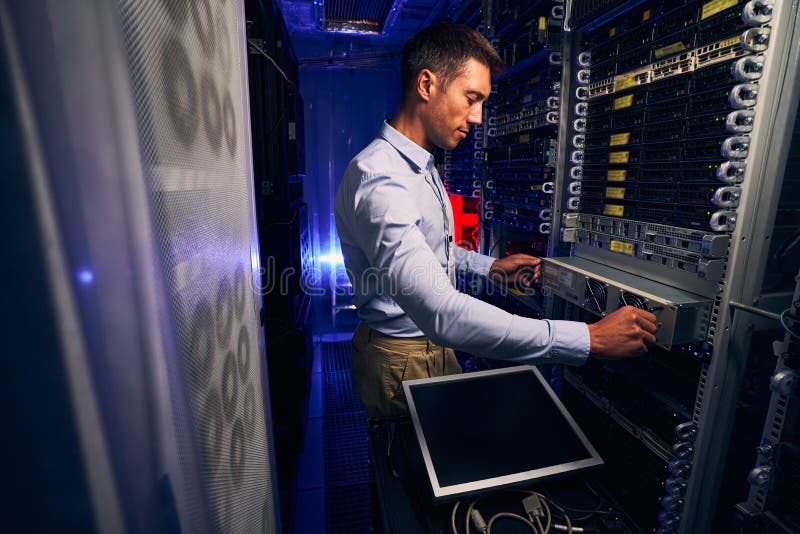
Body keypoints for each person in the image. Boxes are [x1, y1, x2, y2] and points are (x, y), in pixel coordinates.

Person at [334, 22, 657, 420]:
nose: (478, 118)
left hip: (429, 347)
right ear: (426, 85)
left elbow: (430, 247)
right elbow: (442, 314)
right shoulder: (380, 178)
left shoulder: (420, 163)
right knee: (412, 478)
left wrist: (490, 267)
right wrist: (586, 338)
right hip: (404, 356)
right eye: (471, 98)